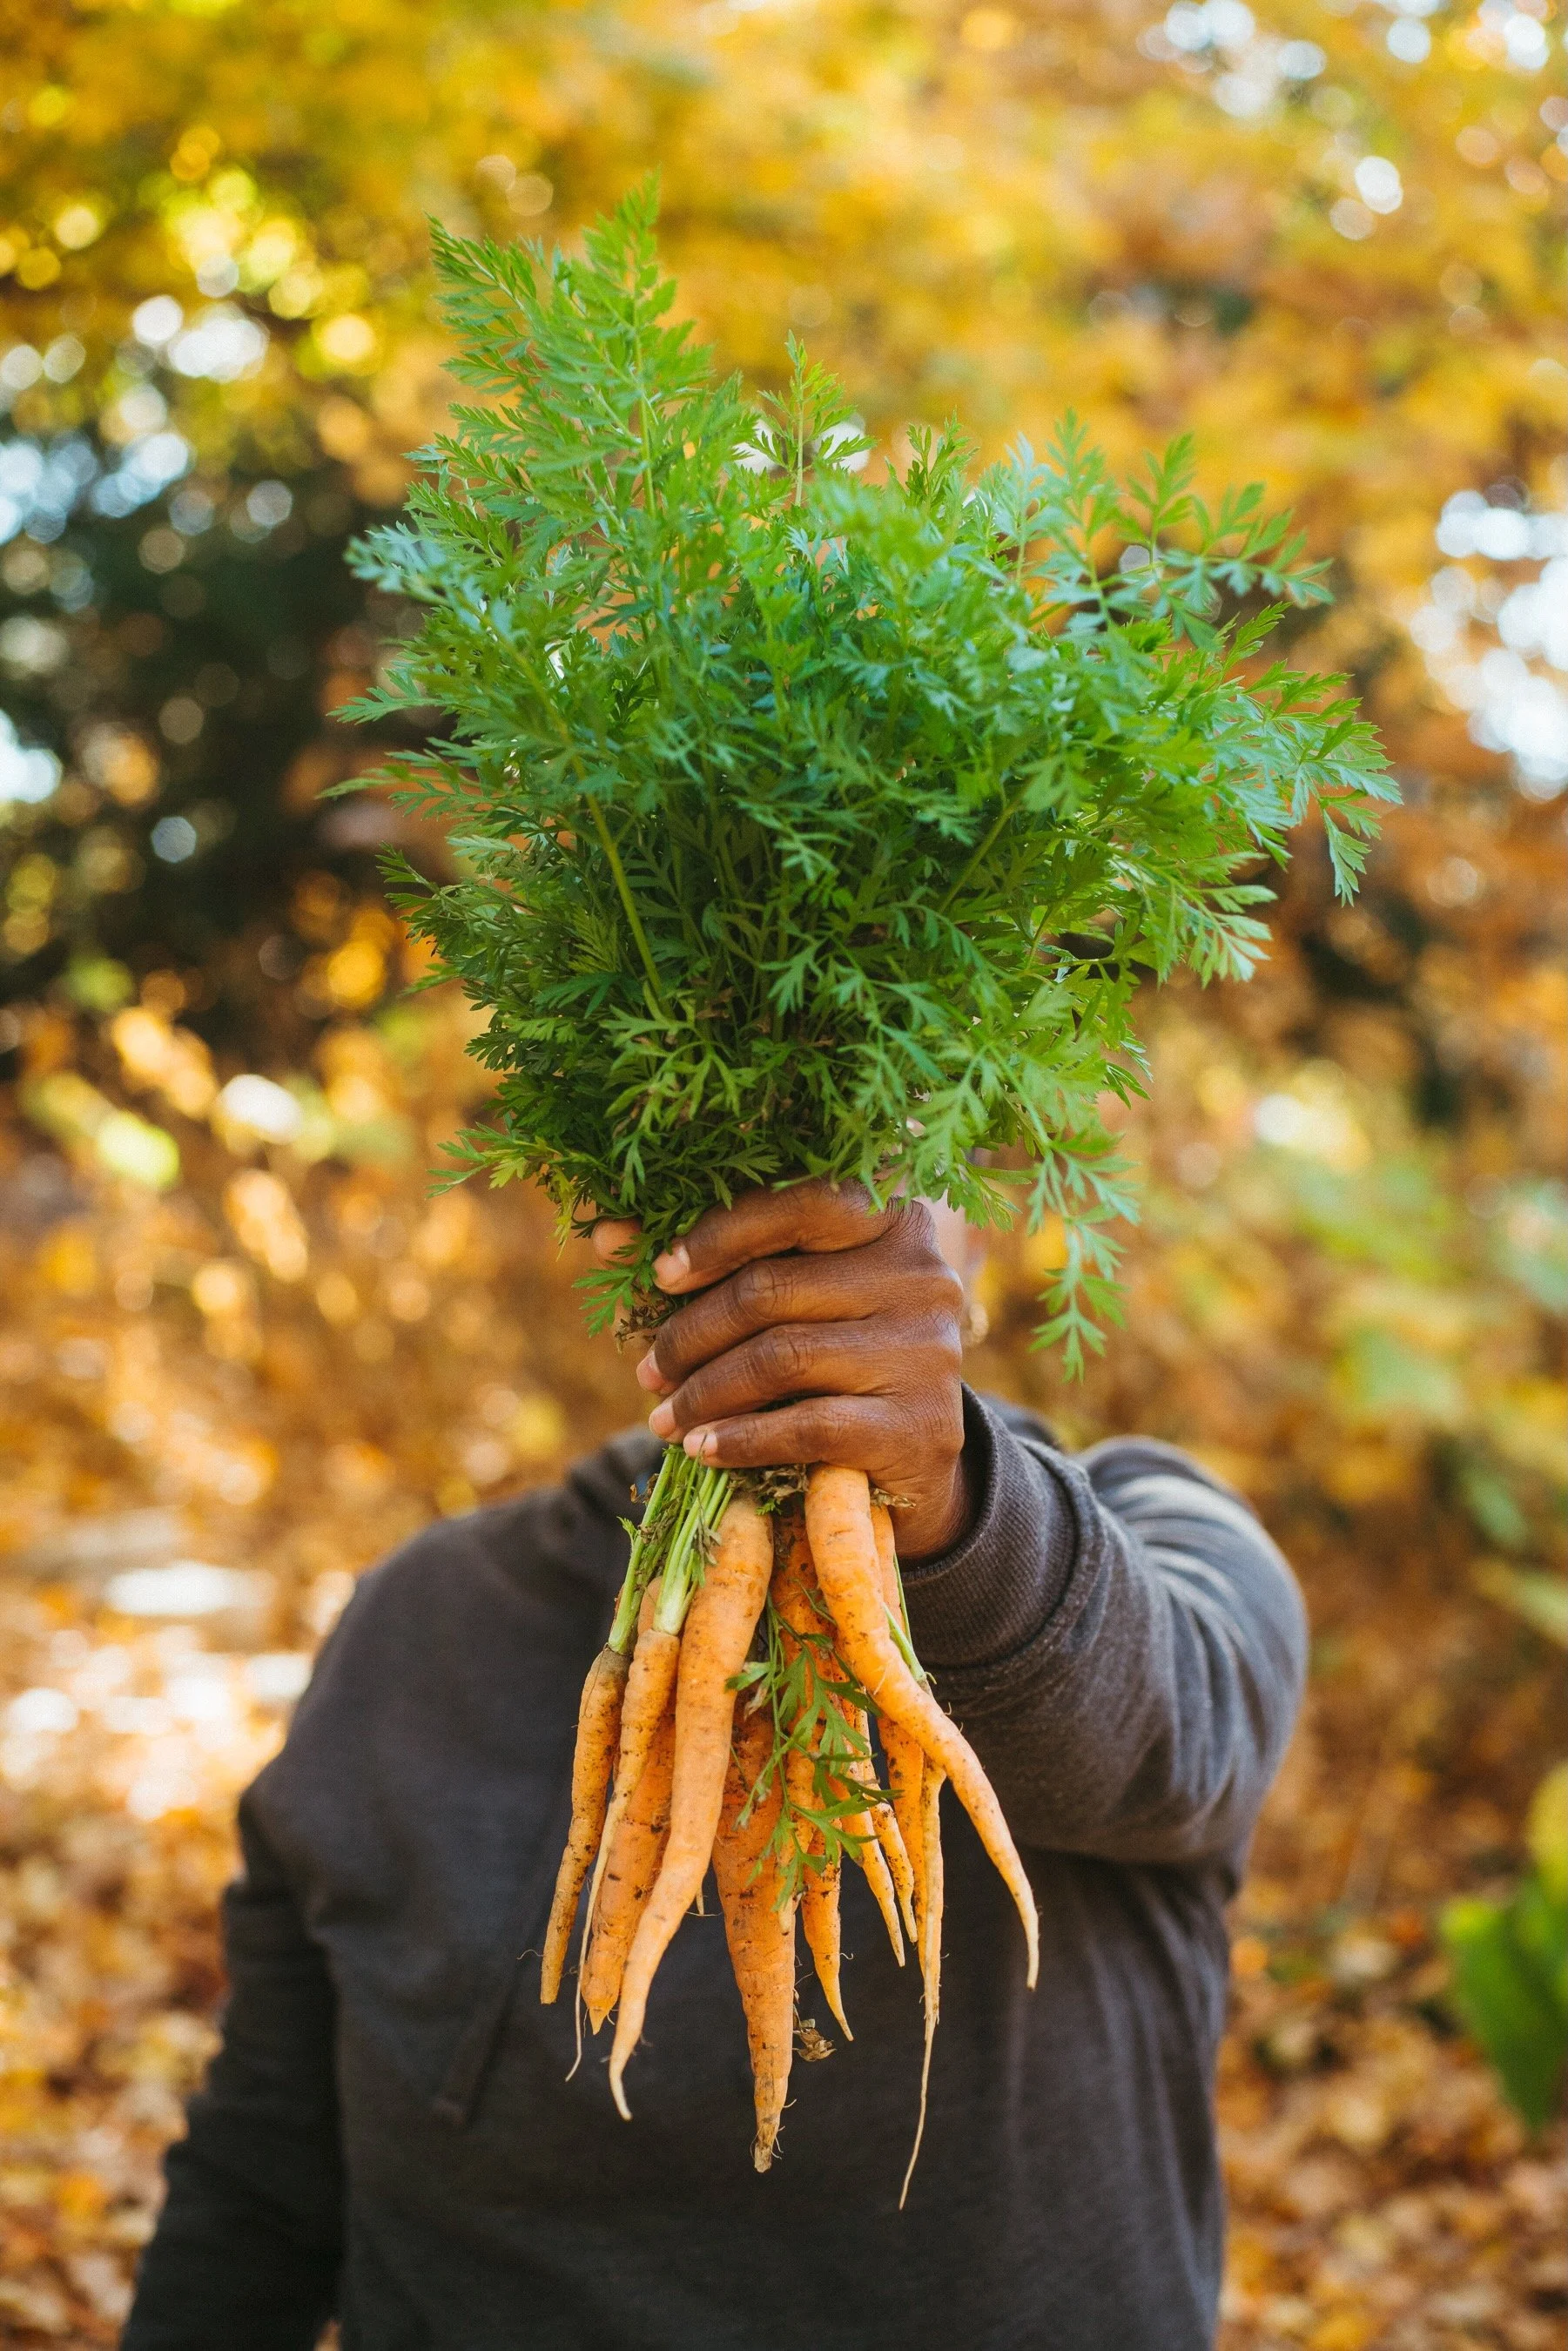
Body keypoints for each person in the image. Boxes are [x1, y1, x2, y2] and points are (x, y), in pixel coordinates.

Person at [122, 1182, 1306, 2351]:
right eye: (752, 1179)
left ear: (978, 1220)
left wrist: (948, 1507)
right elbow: (258, 2186)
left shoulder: (1166, 1540)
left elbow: (1174, 1736)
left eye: (879, 1168)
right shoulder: (416, 1623)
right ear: (624, 1237)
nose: (806, 1211)